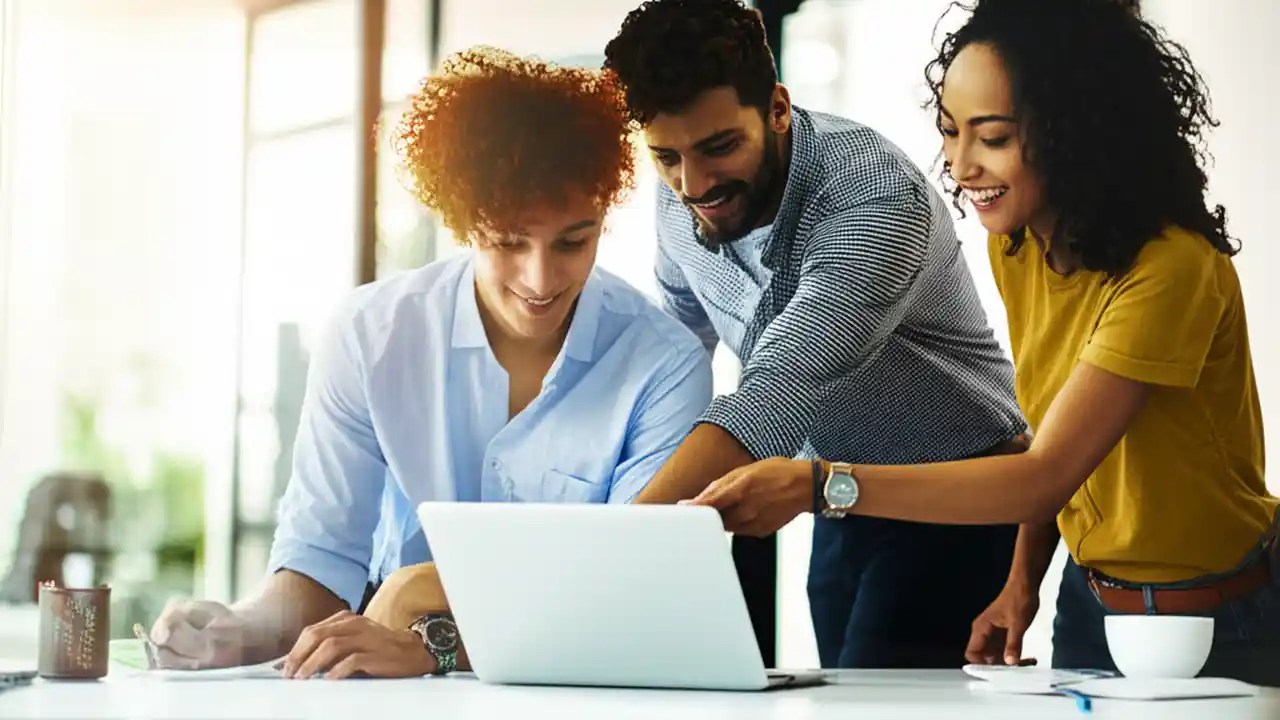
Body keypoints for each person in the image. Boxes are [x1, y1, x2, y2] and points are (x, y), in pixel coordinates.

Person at [688, 0, 1280, 686]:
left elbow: (1043, 476)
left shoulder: (1172, 269)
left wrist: (819, 486)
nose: (961, 165)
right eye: (949, 132)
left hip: (1217, 617)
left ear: (1076, 132)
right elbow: (1056, 440)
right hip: (1091, 603)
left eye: (991, 137)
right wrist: (1022, 583)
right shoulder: (1023, 248)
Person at [147, 47, 713, 679]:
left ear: (604, 217)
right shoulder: (371, 336)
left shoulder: (664, 364)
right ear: (462, 223)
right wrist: (237, 630)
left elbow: (629, 599)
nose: (541, 277)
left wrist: (430, 627)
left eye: (573, 242)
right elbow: (320, 562)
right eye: (507, 242)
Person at [603, 0, 1029, 669]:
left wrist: (611, 546)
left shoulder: (874, 197)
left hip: (958, 497)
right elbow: (677, 347)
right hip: (837, 500)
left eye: (719, 148)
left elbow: (781, 385)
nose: (695, 184)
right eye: (667, 157)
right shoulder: (681, 192)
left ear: (777, 107)